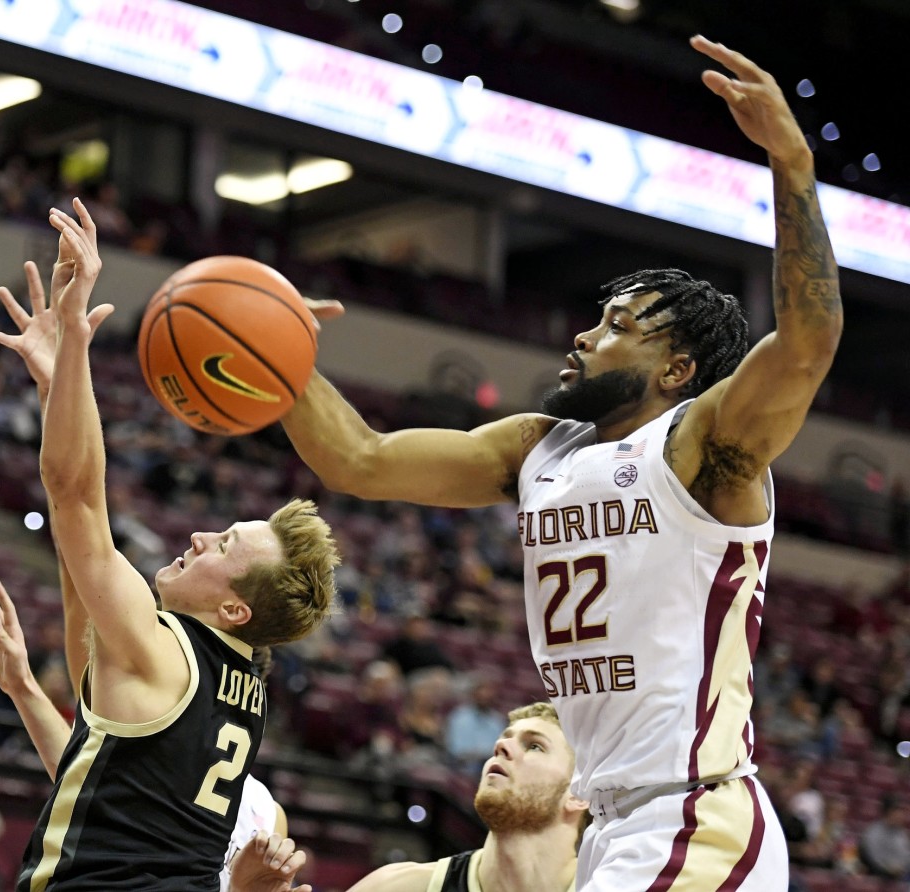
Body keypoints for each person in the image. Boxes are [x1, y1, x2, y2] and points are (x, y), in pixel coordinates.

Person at [280, 37, 841, 891]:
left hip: (695, 813)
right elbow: (360, 460)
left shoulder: (702, 448)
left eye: (618, 325)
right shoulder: (538, 445)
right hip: (612, 822)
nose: (585, 335)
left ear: (678, 370)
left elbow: (808, 345)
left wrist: (792, 165)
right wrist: (279, 355)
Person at [0, 198, 338, 891]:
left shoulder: (160, 649)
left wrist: (78, 338)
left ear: (236, 609)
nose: (203, 536)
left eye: (226, 546)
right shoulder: (241, 693)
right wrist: (60, 390)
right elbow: (81, 577)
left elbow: (76, 497)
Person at [0, 580, 291, 892]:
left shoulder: (260, 807)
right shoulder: (263, 808)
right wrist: (23, 686)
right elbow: (83, 772)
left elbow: (88, 775)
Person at [231, 702, 588, 892]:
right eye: (506, 738)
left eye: (535, 746)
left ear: (579, 793)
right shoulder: (398, 887)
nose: (503, 746)